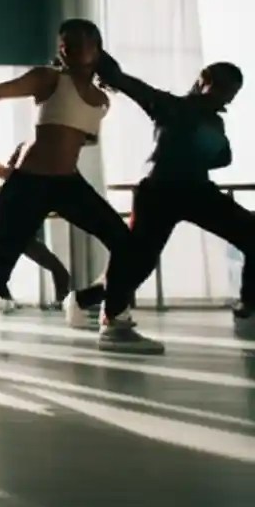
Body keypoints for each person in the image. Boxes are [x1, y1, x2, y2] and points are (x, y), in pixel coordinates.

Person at [0, 19, 160, 354]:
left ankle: (108, 314)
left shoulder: (102, 101)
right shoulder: (49, 79)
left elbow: (77, 140)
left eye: (77, 43)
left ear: (97, 49)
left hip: (69, 185)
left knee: (127, 246)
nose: (68, 49)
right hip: (28, 186)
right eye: (64, 43)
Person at [92, 52, 253, 341]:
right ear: (204, 81)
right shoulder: (170, 106)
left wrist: (204, 147)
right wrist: (92, 51)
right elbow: (123, 81)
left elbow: (223, 158)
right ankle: (106, 313)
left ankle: (248, 306)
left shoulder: (215, 123)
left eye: (233, 93)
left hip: (198, 192)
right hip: (159, 193)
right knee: (139, 261)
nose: (228, 97)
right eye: (224, 88)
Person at [0, 144, 71, 317]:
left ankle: (8, 299)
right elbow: (0, 212)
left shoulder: (20, 183)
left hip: (20, 235)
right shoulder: (22, 182)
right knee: (58, 269)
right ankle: (60, 300)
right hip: (21, 236)